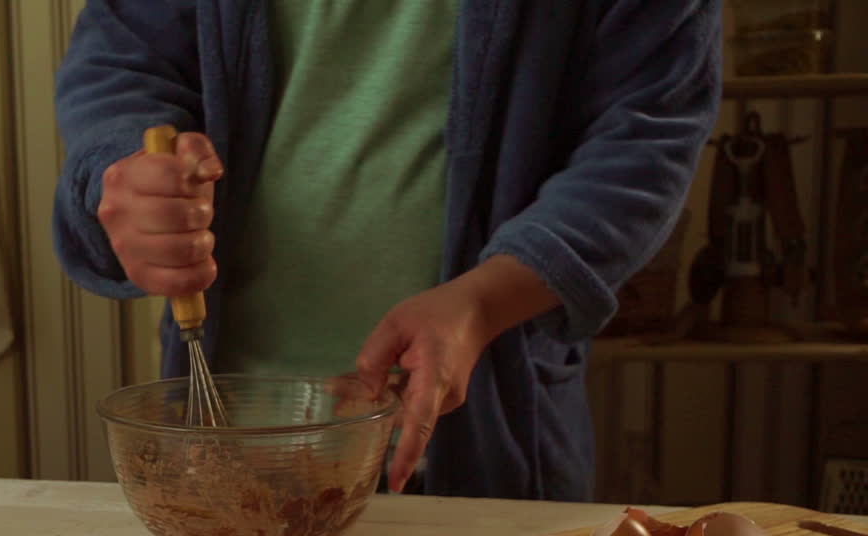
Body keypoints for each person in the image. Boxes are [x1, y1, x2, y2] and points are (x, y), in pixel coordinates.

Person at [51, 1, 722, 501]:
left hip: (480, 455)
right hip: (226, 447)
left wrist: (482, 303)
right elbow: (123, 64)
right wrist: (128, 170)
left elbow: (645, 140)